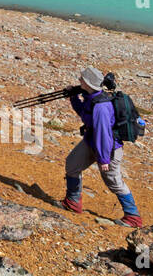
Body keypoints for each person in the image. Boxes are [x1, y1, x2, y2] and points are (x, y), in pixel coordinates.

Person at [61, 66, 143, 227]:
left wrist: (104, 159)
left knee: (113, 181)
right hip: (91, 141)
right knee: (72, 164)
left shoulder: (101, 107)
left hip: (108, 148)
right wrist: (73, 97)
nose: (79, 80)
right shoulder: (91, 98)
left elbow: (104, 135)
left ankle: (133, 217)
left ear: (88, 83)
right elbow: (84, 114)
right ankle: (73, 202)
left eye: (82, 79)